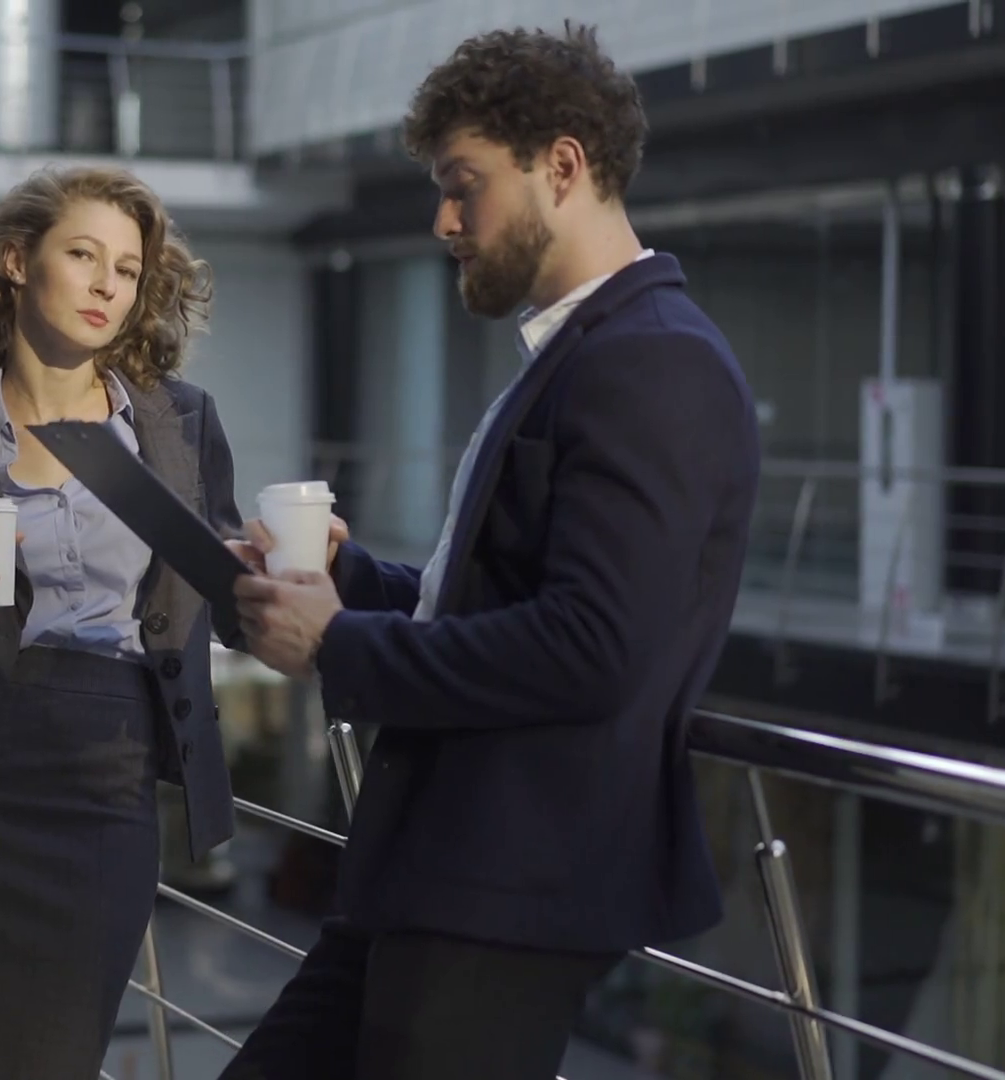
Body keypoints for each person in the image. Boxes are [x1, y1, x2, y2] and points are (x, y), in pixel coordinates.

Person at [220, 22, 761, 1080]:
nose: (444, 220)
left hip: (503, 891)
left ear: (561, 166)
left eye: (464, 185)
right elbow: (508, 599)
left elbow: (595, 644)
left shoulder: (653, 363)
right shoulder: (587, 351)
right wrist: (354, 583)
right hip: (432, 875)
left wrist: (338, 647)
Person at [0, 165, 245, 1079]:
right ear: (16, 261)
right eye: (84, 256)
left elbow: (223, 603)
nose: (111, 284)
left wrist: (286, 575)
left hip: (107, 782)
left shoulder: (181, 425)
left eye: (128, 267)